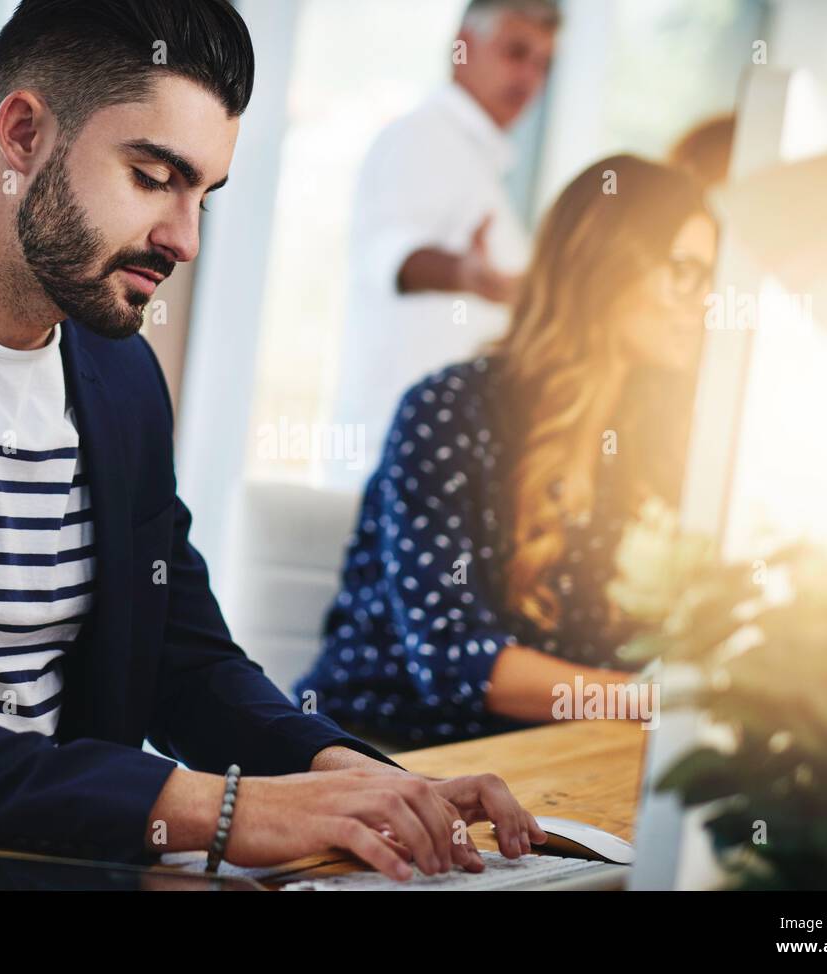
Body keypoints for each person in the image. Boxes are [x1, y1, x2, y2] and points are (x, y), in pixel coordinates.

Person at [0, 0, 546, 880]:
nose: (186, 238)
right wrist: (219, 809)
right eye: (154, 176)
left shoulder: (120, 376)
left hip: (50, 866)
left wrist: (352, 777)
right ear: (22, 135)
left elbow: (184, 660)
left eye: (204, 193)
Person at [296, 155, 717, 748]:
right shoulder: (448, 411)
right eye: (685, 271)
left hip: (550, 753)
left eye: (713, 277)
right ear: (605, 265)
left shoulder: (659, 441)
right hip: (382, 753)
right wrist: (651, 701)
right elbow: (454, 661)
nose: (705, 300)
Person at [328, 0, 559, 484]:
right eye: (516, 52)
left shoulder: (479, 163)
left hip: (437, 456)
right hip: (398, 462)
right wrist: (464, 275)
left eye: (543, 64)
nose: (530, 77)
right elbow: (392, 253)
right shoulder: (420, 139)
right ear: (463, 48)